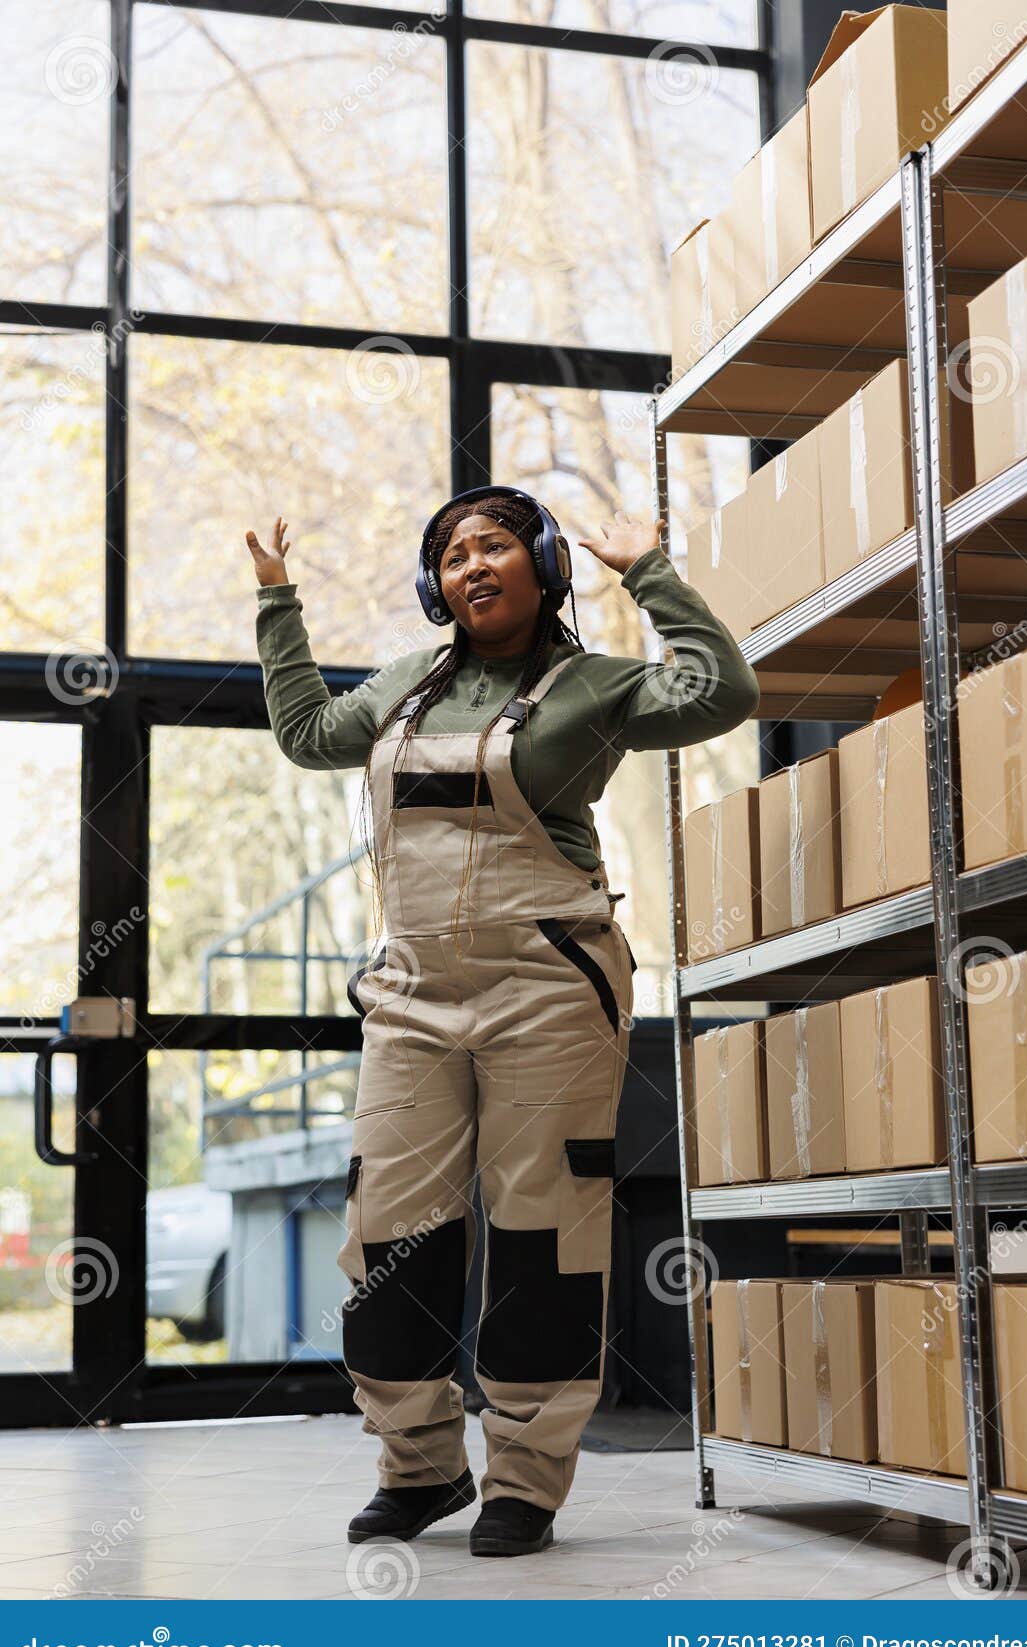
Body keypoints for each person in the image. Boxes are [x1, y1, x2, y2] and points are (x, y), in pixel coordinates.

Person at [247, 487, 759, 1558]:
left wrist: (650, 574)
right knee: (387, 1231)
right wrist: (276, 602)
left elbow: (720, 695)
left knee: (542, 1230)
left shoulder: (595, 687)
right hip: (412, 994)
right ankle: (420, 1466)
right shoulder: (401, 689)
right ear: (431, 585)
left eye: (492, 545)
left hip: (548, 986)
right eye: (448, 552)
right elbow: (302, 733)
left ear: (542, 564)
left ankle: (524, 1481)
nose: (470, 564)